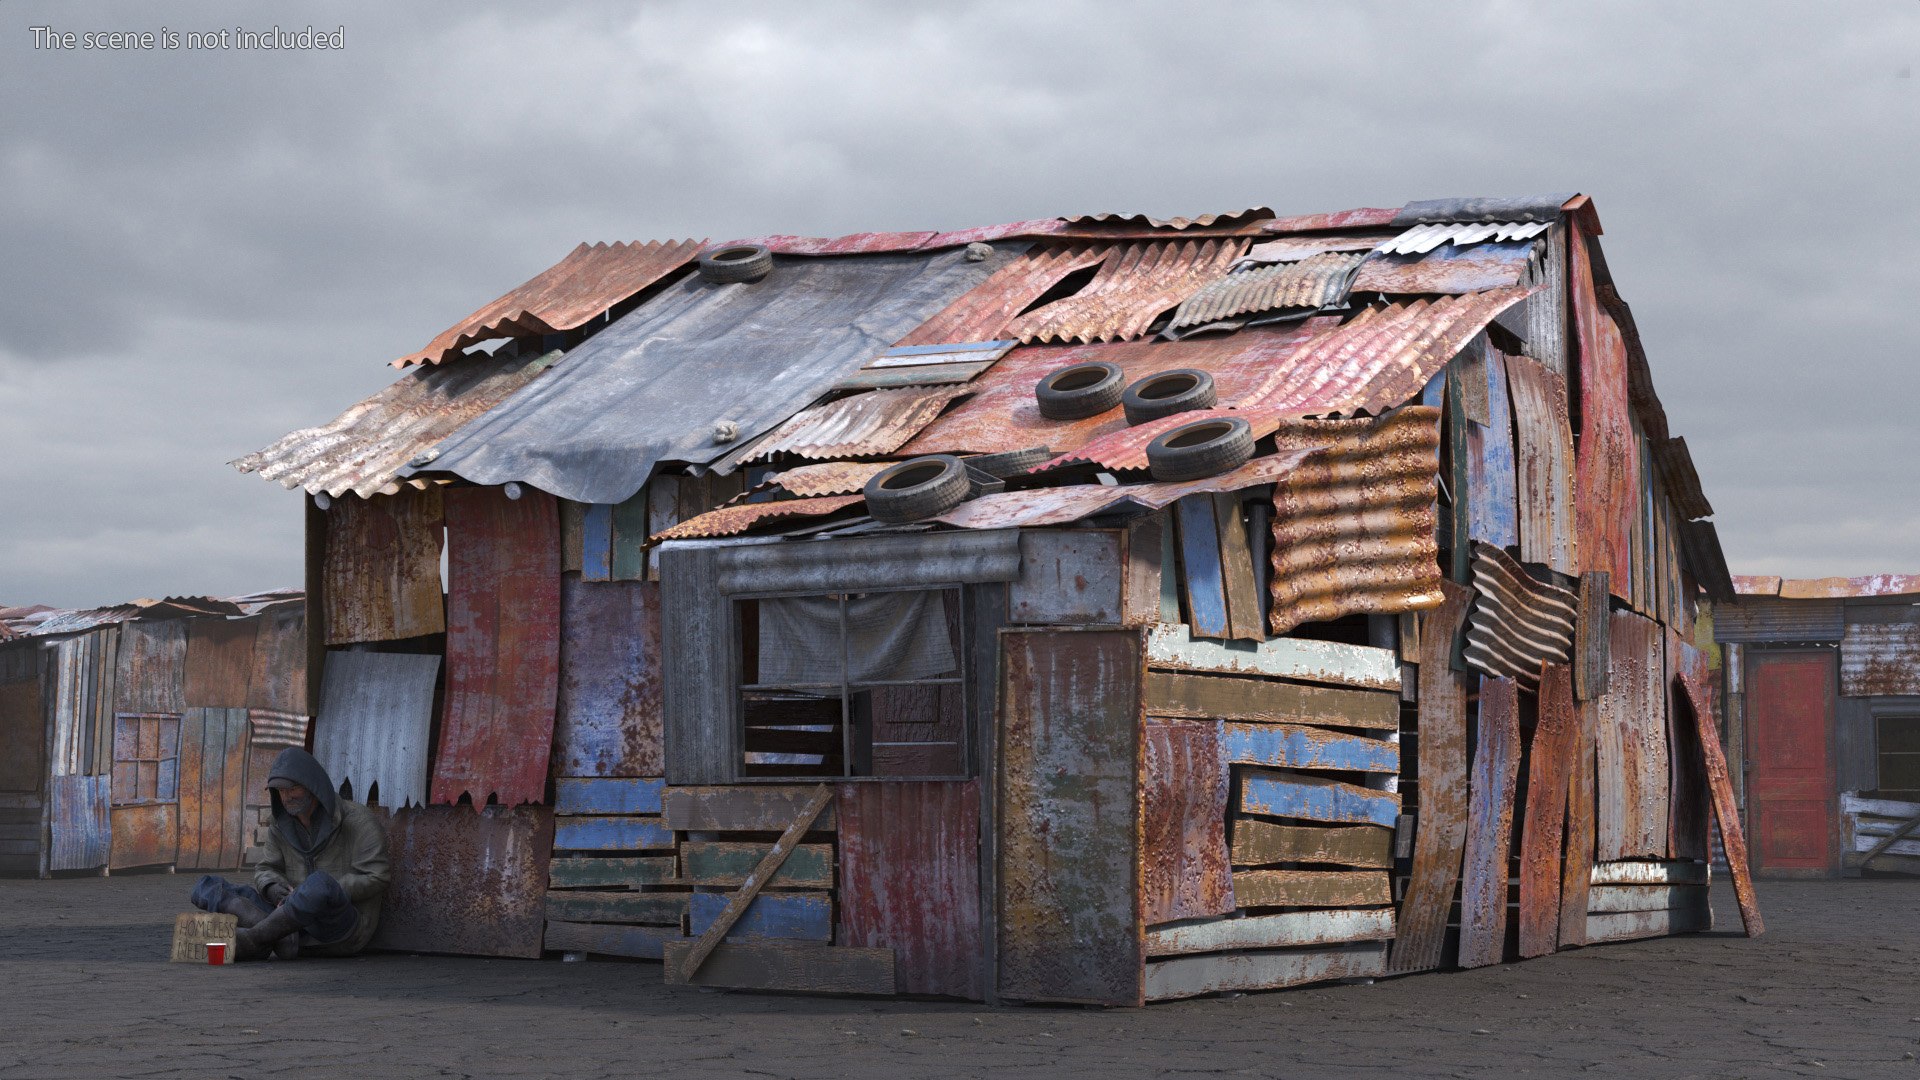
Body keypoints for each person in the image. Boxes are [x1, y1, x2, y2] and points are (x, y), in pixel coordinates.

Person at [189, 747, 390, 960]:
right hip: (290, 921)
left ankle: (255, 939)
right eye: (281, 791)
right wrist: (274, 888)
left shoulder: (358, 821)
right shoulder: (280, 824)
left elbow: (378, 876)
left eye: (293, 789)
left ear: (313, 786)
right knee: (206, 886)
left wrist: (311, 893)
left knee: (319, 883)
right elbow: (266, 868)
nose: (286, 797)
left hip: (341, 927)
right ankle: (281, 937)